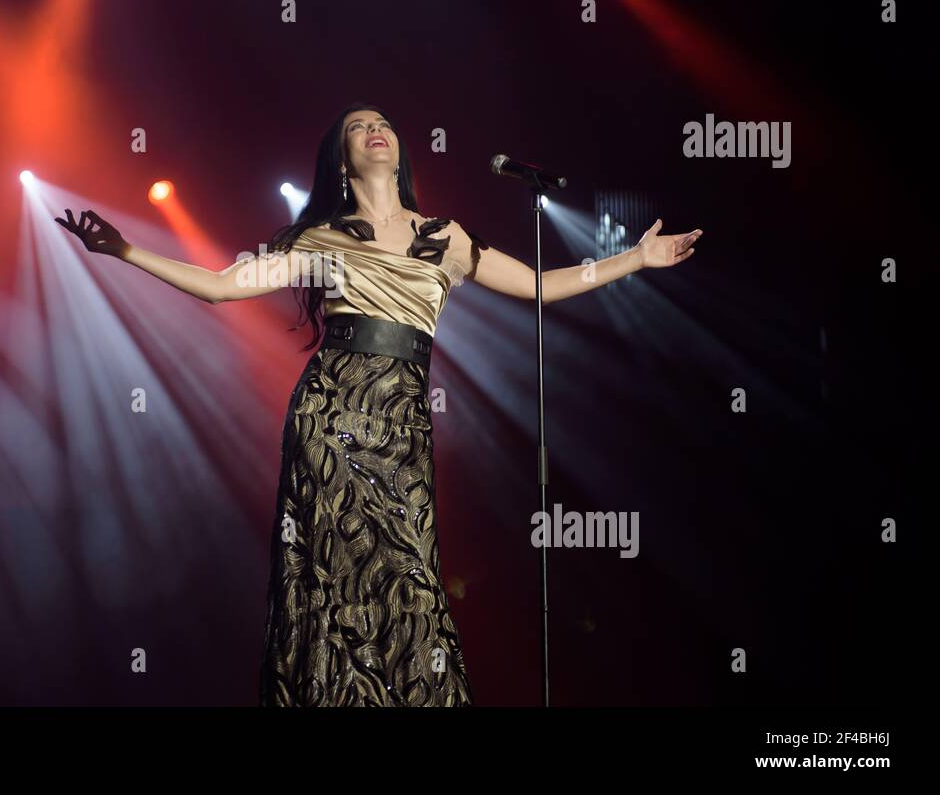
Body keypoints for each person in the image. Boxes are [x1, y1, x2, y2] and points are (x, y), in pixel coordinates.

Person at [56, 103, 702, 706]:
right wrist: (125, 251)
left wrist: (635, 259)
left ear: (400, 151)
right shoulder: (318, 239)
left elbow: (539, 287)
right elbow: (224, 288)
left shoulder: (443, 236)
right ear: (342, 161)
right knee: (333, 579)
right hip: (328, 419)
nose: (375, 128)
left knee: (410, 579)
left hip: (401, 427)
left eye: (384, 123)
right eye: (359, 125)